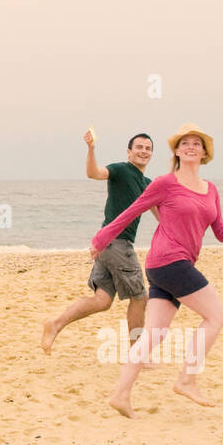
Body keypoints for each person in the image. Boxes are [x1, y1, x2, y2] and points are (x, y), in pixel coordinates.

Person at [88, 124, 223, 418]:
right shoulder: (164, 183)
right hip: (170, 261)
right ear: (177, 151)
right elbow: (132, 210)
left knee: (153, 333)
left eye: (197, 143)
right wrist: (102, 238)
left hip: (169, 267)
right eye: (185, 143)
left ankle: (120, 395)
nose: (191, 146)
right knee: (217, 315)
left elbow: (221, 233)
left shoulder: (211, 190)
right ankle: (186, 380)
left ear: (205, 152)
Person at [42, 129, 158, 355]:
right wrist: (91, 149)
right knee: (140, 297)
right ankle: (137, 354)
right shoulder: (122, 170)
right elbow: (94, 173)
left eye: (148, 149)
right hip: (117, 242)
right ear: (129, 151)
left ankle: (55, 324)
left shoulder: (147, 183)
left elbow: (161, 215)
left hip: (106, 245)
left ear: (151, 154)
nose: (143, 152)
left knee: (102, 300)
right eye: (139, 147)